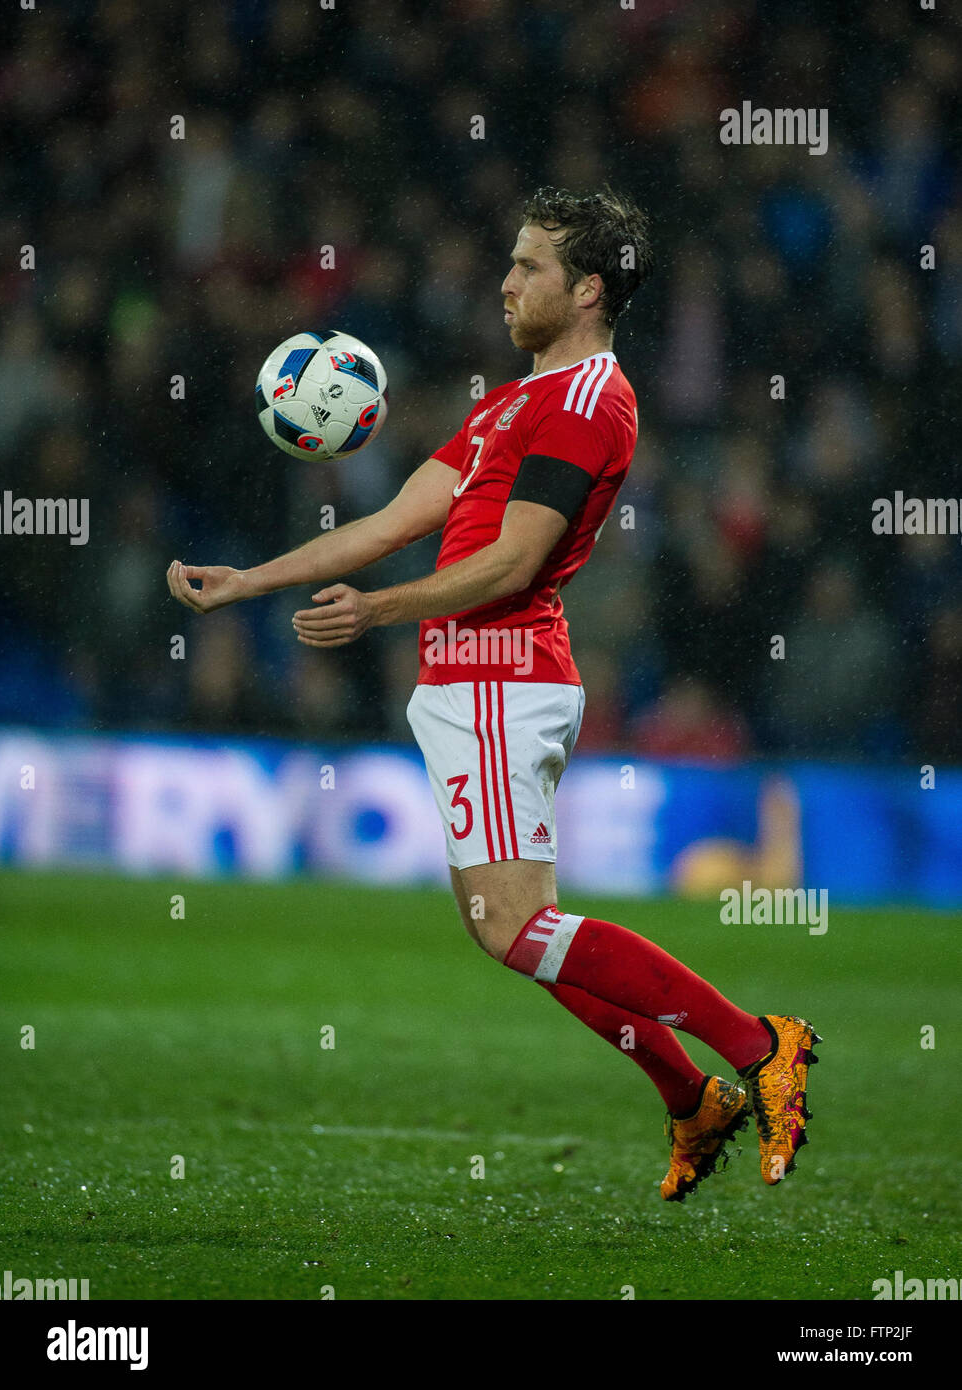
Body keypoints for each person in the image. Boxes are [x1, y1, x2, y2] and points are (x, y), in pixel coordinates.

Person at [167, 186, 819, 1201]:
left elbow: (513, 563)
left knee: (515, 927)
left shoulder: (585, 401)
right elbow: (389, 520)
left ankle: (758, 1043)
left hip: (498, 673)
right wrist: (249, 580)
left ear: (588, 289)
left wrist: (377, 614)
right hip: (477, 679)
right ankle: (689, 1097)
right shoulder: (510, 401)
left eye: (528, 266)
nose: (505, 281)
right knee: (516, 930)